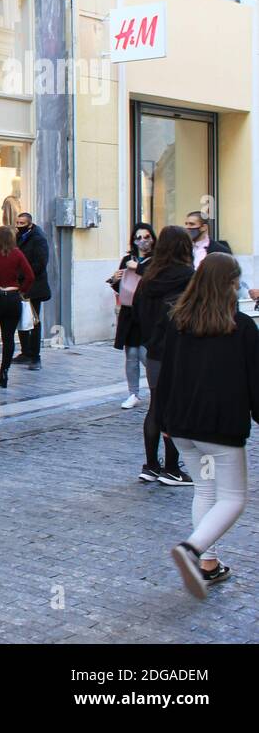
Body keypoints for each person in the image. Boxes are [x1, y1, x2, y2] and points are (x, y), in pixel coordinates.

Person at [158, 253, 258, 598]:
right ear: (229, 284)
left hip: (185, 428)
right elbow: (255, 383)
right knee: (233, 498)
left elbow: (165, 374)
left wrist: (163, 420)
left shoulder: (180, 322)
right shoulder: (241, 327)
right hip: (220, 430)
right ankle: (193, 549)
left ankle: (209, 564)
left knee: (207, 490)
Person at [132, 225, 195, 486]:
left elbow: (136, 310)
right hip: (181, 349)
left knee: (156, 403)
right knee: (176, 406)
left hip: (155, 349)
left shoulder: (148, 277)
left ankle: (151, 465)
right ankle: (171, 468)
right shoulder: (189, 275)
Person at [0, 225, 34, 389]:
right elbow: (30, 276)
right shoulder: (17, 253)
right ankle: (3, 373)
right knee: (8, 337)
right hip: (13, 299)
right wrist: (22, 291)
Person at [109, 222, 154, 409]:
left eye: (146, 237)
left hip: (149, 312)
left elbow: (156, 281)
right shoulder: (127, 258)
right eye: (138, 237)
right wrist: (115, 279)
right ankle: (133, 393)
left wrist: (138, 268)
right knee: (131, 355)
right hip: (130, 312)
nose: (142, 241)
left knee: (147, 355)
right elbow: (120, 286)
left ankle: (157, 388)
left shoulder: (157, 259)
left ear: (152, 239)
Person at [14, 212, 50, 370]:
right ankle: (25, 352)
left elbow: (41, 263)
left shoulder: (38, 239)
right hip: (20, 285)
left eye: (22, 223)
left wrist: (23, 273)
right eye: (17, 222)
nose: (18, 225)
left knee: (33, 320)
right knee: (21, 319)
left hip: (34, 286)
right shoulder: (18, 237)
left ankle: (35, 356)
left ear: (29, 224)